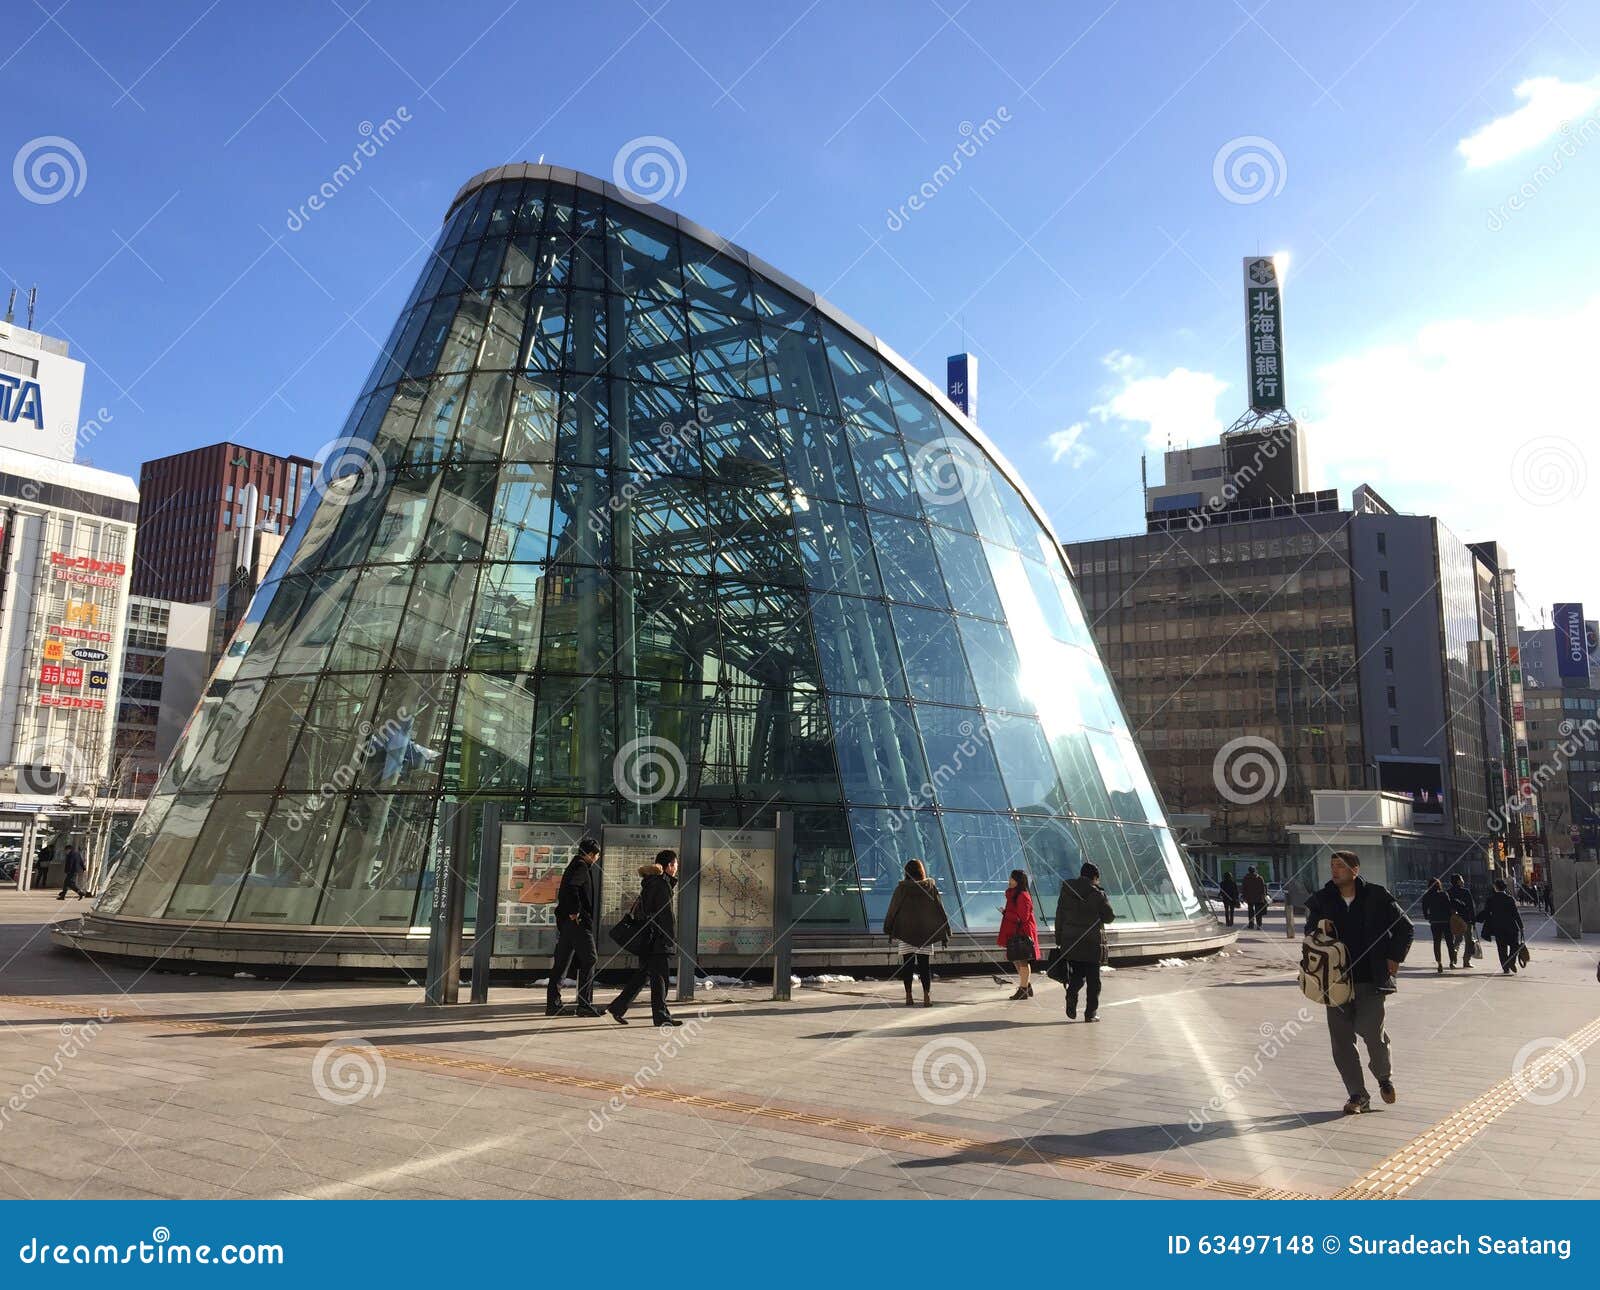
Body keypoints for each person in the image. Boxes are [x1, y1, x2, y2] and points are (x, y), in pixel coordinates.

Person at [1300, 849, 1413, 1115]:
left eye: (1340, 866)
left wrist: (1394, 957)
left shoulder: (1377, 896)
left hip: (1370, 978)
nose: (1335, 870)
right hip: (1334, 981)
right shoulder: (1323, 900)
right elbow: (1309, 933)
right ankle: (1358, 1095)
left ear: (1355, 870)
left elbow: (1405, 927)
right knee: (1341, 1041)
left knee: (1371, 1032)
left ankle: (1383, 1077)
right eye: (1332, 866)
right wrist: (1318, 932)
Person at [608, 849, 682, 1027]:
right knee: (661, 978)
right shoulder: (662, 885)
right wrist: (669, 939)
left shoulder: (650, 882)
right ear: (669, 866)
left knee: (643, 975)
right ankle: (661, 1016)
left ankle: (618, 1007)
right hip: (657, 939)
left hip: (647, 938)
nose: (676, 868)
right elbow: (665, 915)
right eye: (675, 865)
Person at [882, 859, 951, 1007]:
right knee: (924, 966)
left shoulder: (901, 889)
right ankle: (927, 997)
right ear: (921, 871)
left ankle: (908, 996)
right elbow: (940, 908)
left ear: (906, 872)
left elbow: (893, 909)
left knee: (907, 965)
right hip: (926, 933)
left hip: (906, 933)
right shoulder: (930, 887)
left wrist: (888, 927)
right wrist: (946, 929)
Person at [546, 836, 601, 1017]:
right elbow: (572, 888)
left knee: (562, 962)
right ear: (591, 854)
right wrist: (575, 911)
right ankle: (584, 1005)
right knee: (590, 959)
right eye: (597, 855)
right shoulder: (581, 866)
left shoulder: (575, 864)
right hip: (577, 922)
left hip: (567, 923)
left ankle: (553, 1004)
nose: (597, 858)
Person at [1053, 861, 1115, 1022]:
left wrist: (1059, 938)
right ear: (1095, 877)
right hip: (1091, 942)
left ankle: (1071, 994)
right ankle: (1090, 1013)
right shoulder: (1098, 894)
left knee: (1078, 974)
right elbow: (1109, 917)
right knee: (1094, 981)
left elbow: (1059, 915)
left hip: (1071, 941)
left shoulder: (1066, 890)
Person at [997, 870, 1040, 1000]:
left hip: (1022, 933)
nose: (1009, 881)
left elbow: (1022, 917)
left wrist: (1005, 913)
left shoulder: (1022, 895)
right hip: (1015, 932)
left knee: (1022, 960)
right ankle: (1026, 985)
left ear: (1018, 881)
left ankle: (1023, 989)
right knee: (1016, 959)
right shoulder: (1013, 894)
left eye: (1011, 878)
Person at [1481, 878, 1525, 976]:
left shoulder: (1491, 899)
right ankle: (1511, 961)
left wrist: (1476, 919)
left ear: (1495, 887)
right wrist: (1521, 926)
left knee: (1501, 948)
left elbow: (1486, 913)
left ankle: (1505, 967)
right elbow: (1516, 914)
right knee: (1515, 946)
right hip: (1511, 927)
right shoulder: (1510, 899)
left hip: (1498, 928)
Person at [1420, 877, 1457, 973]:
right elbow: (1449, 906)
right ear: (1439, 885)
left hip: (1435, 922)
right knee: (1450, 942)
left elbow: (1424, 909)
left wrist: (1428, 917)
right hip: (1446, 921)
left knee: (1437, 942)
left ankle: (1439, 963)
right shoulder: (1444, 894)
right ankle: (1452, 962)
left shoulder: (1427, 896)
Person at [1448, 874, 1477, 966]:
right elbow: (1471, 907)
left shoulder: (1448, 892)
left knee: (1457, 939)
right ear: (1458, 881)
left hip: (1455, 920)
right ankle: (1466, 961)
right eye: (1461, 879)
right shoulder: (1466, 892)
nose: (1463, 881)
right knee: (1468, 940)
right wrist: (1473, 919)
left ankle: (1453, 957)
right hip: (1466, 919)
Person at [1284, 874, 1308, 939]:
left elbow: (1286, 892)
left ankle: (1291, 934)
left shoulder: (1292, 883)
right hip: (1298, 900)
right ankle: (1291, 933)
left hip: (1293, 901)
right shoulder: (1299, 882)